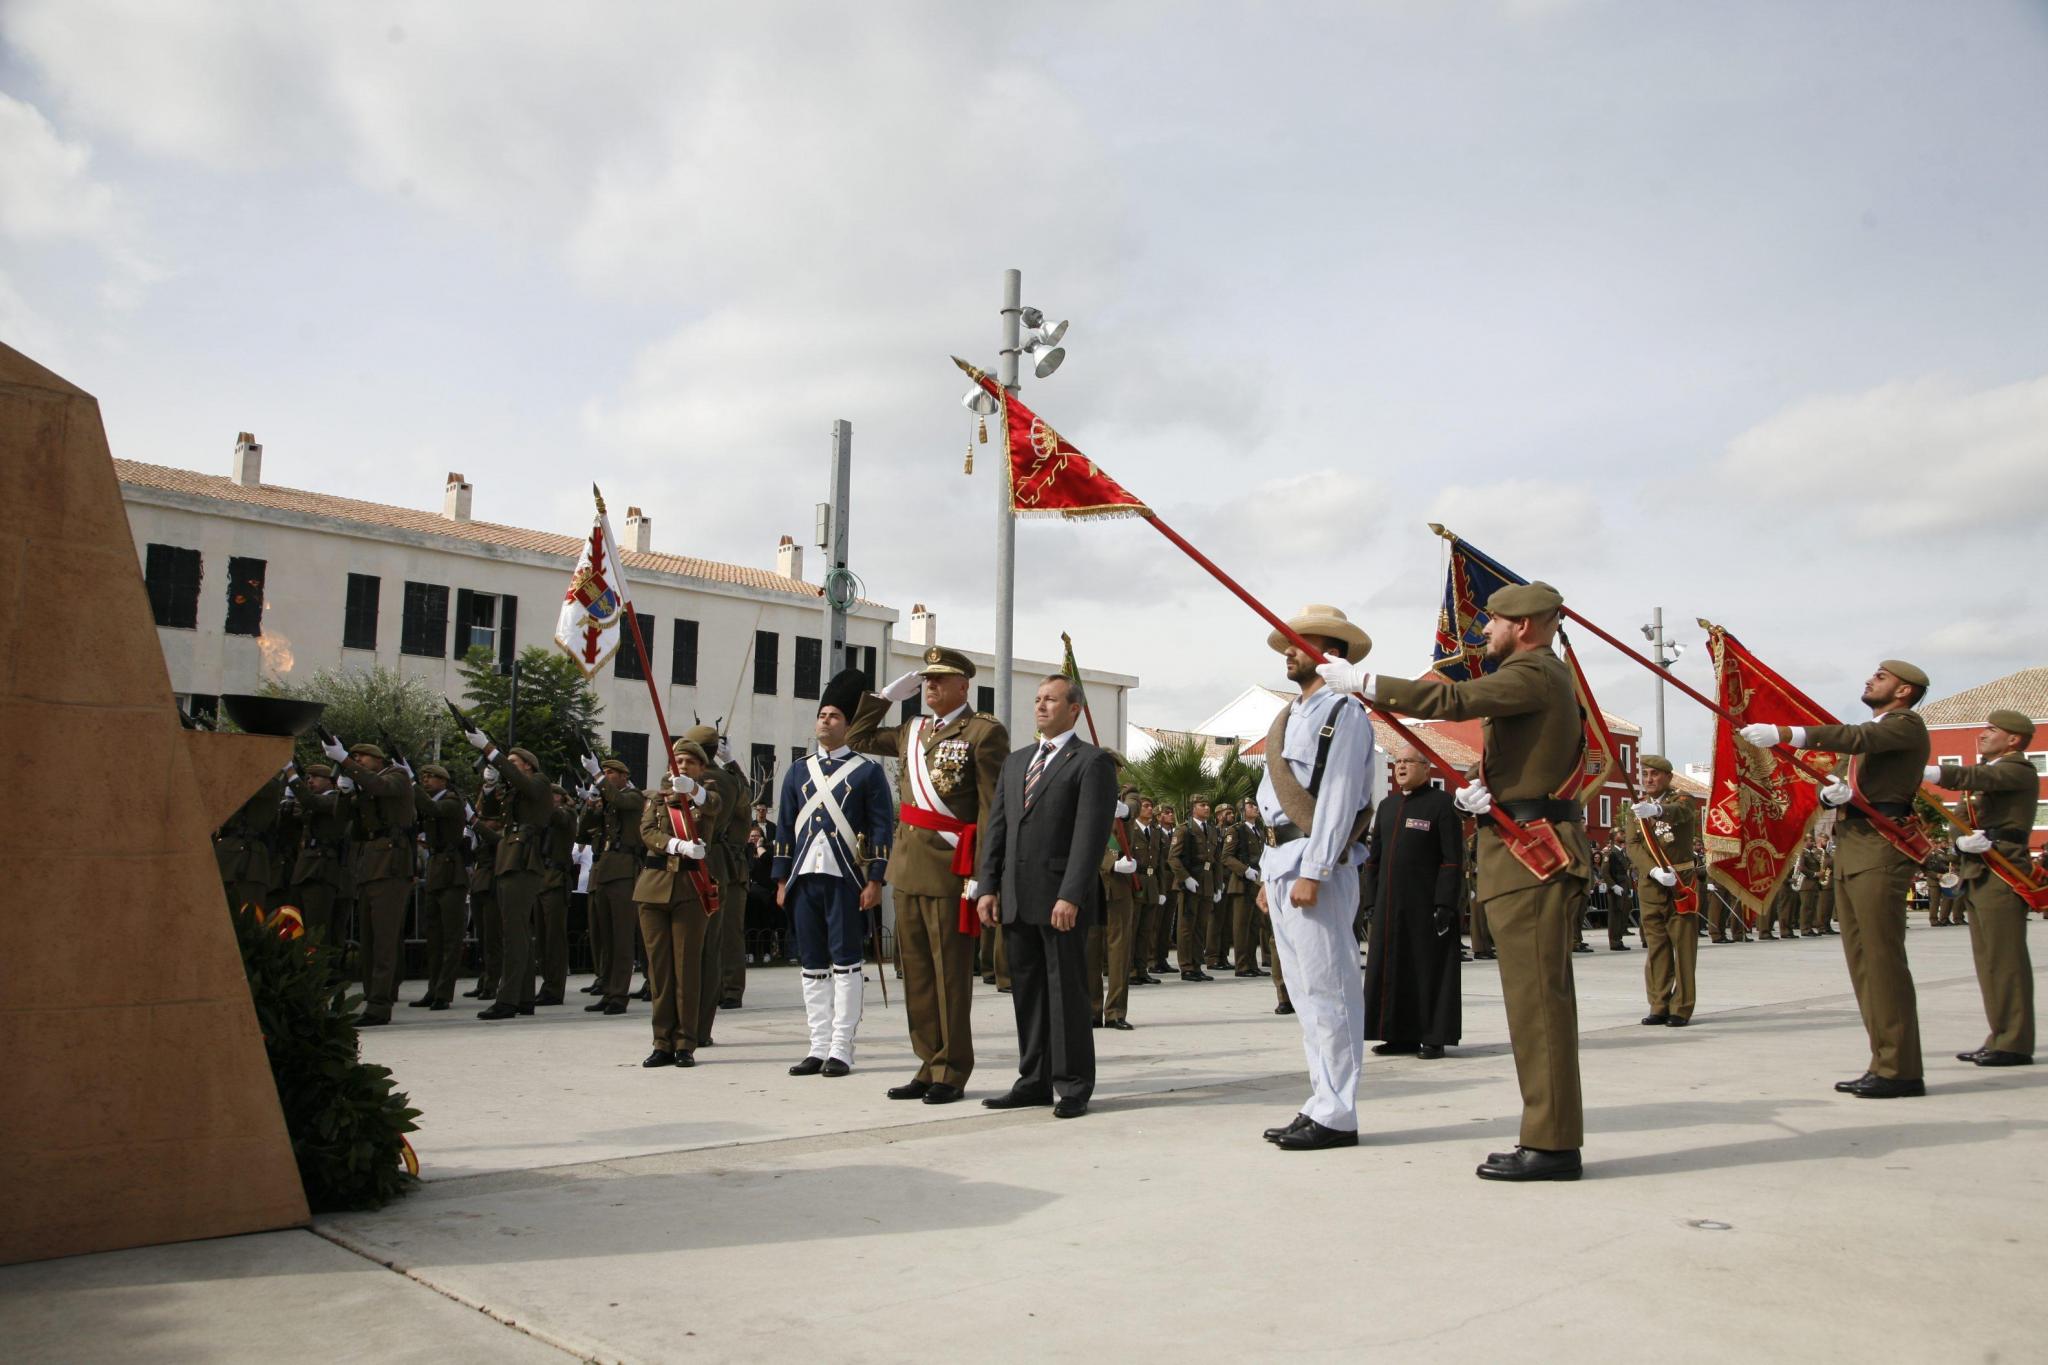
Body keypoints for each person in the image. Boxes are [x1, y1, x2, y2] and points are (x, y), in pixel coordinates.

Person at [1324, 581, 1590, 1181]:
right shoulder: (1535, 674)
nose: (1485, 633)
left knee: (1539, 1008)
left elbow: (1455, 700)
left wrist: (1365, 684)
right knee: (1533, 1005)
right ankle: (1547, 1136)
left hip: (1533, 856)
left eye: (1492, 623)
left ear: (1523, 626)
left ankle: (1551, 1144)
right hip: (1519, 846)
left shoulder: (1535, 671)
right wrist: (1484, 787)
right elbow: (1525, 758)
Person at [1740, 659, 1932, 1098]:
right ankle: (1886, 1061)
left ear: (1904, 691)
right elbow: (1859, 765)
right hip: (1855, 846)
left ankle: (1900, 1069)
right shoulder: (1880, 734)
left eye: (1881, 677)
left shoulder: (1905, 724)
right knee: (1863, 962)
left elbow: (1855, 735)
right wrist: (1833, 797)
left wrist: (1788, 733)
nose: (1870, 679)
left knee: (1882, 962)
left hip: (1881, 849)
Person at [848, 645, 1008, 1104]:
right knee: (916, 974)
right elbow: (858, 738)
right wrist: (883, 696)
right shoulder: (911, 729)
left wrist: (984, 875)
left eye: (939, 679)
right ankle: (926, 1062)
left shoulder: (983, 732)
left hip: (952, 869)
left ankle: (952, 1070)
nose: (930, 686)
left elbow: (991, 808)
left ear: (964, 685)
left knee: (950, 977)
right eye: (925, 680)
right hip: (908, 866)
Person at [1252, 606, 1375, 1152]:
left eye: (1302, 642)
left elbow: (1341, 799)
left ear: (1334, 652)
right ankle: (1321, 1100)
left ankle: (1339, 1113)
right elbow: (1271, 799)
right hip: (1283, 862)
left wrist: (1316, 868)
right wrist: (1268, 870)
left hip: (1314, 864)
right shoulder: (1288, 716)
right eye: (1288, 643)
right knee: (1304, 995)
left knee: (1332, 993)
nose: (1289, 651)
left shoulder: (1344, 712)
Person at [975, 675, 1119, 1118]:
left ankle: (1073, 1085)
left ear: (1073, 709)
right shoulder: (1017, 762)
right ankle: (1033, 1080)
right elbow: (997, 828)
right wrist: (988, 885)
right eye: (1037, 699)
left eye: (1050, 699)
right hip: (1017, 897)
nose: (1040, 706)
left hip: (1061, 900)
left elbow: (1090, 835)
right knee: (1029, 993)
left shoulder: (1090, 762)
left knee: (1067, 994)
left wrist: (1071, 893)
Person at [775, 669, 896, 1078]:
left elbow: (881, 828)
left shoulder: (868, 771)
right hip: (804, 877)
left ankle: (841, 1048)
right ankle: (816, 1045)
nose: (825, 721)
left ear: (847, 725)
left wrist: (875, 878)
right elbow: (785, 826)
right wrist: (780, 877)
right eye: (821, 715)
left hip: (847, 879)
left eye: (833, 716)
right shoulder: (797, 771)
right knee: (812, 963)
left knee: (845, 963)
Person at [1926, 709, 2038, 1067]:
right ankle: (2000, 1036)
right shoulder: (1986, 775)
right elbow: (1961, 820)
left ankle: (2015, 1042)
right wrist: (1960, 844)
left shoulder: (2017, 769)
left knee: (2005, 962)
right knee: (1988, 962)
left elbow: (1969, 777)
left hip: (2002, 871)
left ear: (2014, 739)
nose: (1983, 734)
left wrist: (1932, 772)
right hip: (1978, 870)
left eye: (1992, 730)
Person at [1360, 745, 1463, 1059]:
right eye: (1397, 762)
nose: (1401, 767)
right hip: (1390, 907)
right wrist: (1370, 901)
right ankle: (1397, 1034)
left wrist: (1444, 903)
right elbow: (1373, 860)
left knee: (1428, 971)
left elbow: (1451, 859)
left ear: (1426, 767)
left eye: (1408, 762)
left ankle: (1433, 1036)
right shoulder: (1388, 806)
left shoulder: (1442, 805)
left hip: (1426, 906)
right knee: (1392, 968)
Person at [629, 739, 721, 1066]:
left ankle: (685, 1042)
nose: (682, 766)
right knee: (660, 971)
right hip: (652, 889)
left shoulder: (706, 796)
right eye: (677, 761)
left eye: (690, 762)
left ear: (701, 768)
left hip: (689, 890)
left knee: (686, 969)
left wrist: (693, 790)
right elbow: (646, 831)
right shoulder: (656, 799)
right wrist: (677, 845)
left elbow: (712, 806)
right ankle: (661, 1041)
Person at [460, 740, 552, 1022]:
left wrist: (491, 751)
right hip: (509, 859)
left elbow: (523, 784)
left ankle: (508, 999)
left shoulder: (539, 781)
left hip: (524, 860)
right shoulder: (515, 791)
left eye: (514, 762)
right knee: (517, 932)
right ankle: (523, 997)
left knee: (514, 933)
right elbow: (490, 811)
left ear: (528, 765)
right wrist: (487, 786)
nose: (507, 766)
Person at [326, 740, 416, 1028]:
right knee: (368, 940)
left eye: (362, 757)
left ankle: (379, 1004)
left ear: (378, 759)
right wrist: (343, 791)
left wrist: (346, 764)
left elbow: (381, 788)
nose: (358, 761)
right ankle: (372, 998)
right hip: (369, 864)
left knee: (384, 941)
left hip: (391, 865)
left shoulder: (398, 775)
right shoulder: (365, 785)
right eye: (354, 757)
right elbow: (339, 821)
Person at [1624, 755, 1700, 1027]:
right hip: (1651, 884)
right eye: (1645, 775)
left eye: (1655, 775)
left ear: (1668, 776)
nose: (1649, 780)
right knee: (1656, 947)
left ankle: (1682, 1006)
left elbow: (1683, 812)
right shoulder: (1638, 806)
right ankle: (1658, 1003)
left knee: (1683, 947)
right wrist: (1653, 870)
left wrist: (1657, 812)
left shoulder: (1681, 798)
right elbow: (1632, 844)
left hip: (1681, 881)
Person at [583, 757, 644, 1015]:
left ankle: (619, 994)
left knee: (621, 938)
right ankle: (607, 989)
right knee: (605, 936)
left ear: (623, 775)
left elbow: (620, 801)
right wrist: (590, 800)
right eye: (604, 772)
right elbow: (584, 828)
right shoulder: (608, 798)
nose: (605, 776)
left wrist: (597, 777)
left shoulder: (634, 796)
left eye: (610, 773)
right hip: (605, 869)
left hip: (624, 870)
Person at [410, 763, 468, 1010]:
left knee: (450, 937)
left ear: (443, 781)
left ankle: (444, 992)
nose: (425, 781)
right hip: (436, 868)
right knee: (433, 935)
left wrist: (411, 782)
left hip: (451, 871)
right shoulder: (433, 803)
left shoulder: (452, 802)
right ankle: (433, 988)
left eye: (430, 777)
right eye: (422, 777)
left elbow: (431, 807)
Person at [1088, 778, 1142, 1029]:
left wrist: (1127, 810)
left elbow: (1134, 803)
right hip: (1089, 884)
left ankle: (1115, 1012)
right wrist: (1110, 862)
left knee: (1119, 952)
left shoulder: (1124, 793)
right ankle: (1091, 1009)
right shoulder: (1083, 792)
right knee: (1090, 951)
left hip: (1118, 886)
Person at [285, 763, 348, 948]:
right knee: (297, 923)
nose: (310, 781)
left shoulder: (335, 799)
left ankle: (320, 970)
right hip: (304, 867)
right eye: (308, 778)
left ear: (331, 781)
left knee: (316, 928)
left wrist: (291, 774)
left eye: (315, 777)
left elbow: (310, 801)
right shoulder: (313, 802)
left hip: (321, 870)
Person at [1169, 796, 1222, 981]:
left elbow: (1216, 860)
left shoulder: (1212, 830)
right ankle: (1187, 967)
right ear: (1193, 808)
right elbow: (1173, 858)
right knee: (1186, 927)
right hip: (1190, 882)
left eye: (1208, 805)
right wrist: (1186, 878)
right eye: (1202, 805)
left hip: (1206, 882)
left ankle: (1197, 965)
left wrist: (1218, 885)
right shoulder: (1184, 829)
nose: (1207, 808)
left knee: (1201, 926)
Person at [535, 785, 577, 1006]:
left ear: (561, 796)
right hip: (541, 878)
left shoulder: (566, 813)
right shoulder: (546, 816)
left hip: (555, 880)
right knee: (542, 939)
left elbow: (557, 818)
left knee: (554, 939)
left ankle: (554, 987)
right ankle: (547, 983)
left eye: (551, 794)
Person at [1128, 796, 1164, 986]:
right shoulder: (1131, 829)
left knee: (1146, 931)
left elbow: (1160, 864)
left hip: (1151, 884)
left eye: (1151, 806)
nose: (1150, 809)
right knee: (1132, 930)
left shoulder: (1156, 832)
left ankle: (1142, 970)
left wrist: (1162, 889)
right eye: (1146, 806)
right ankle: (1131, 970)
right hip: (1136, 882)